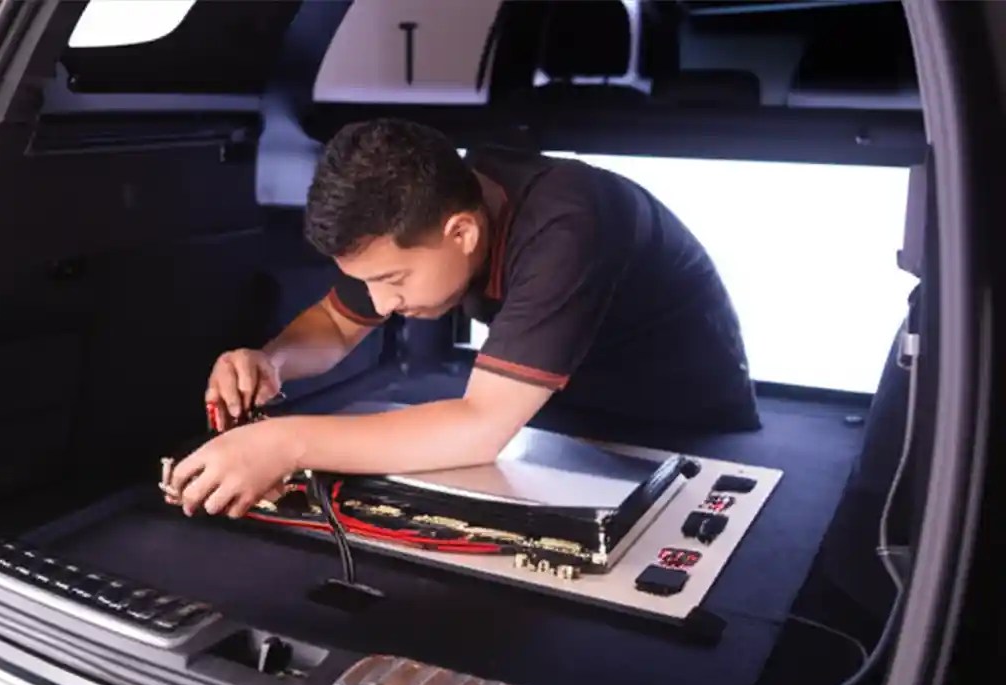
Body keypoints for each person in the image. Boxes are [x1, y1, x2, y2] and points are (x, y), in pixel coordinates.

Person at [165, 118, 760, 518]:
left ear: (463, 232)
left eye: (393, 281)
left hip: (685, 427)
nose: (381, 305)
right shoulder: (410, 209)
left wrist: (284, 442)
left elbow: (479, 427)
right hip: (559, 414)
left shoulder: (570, 223)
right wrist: (271, 361)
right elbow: (339, 324)